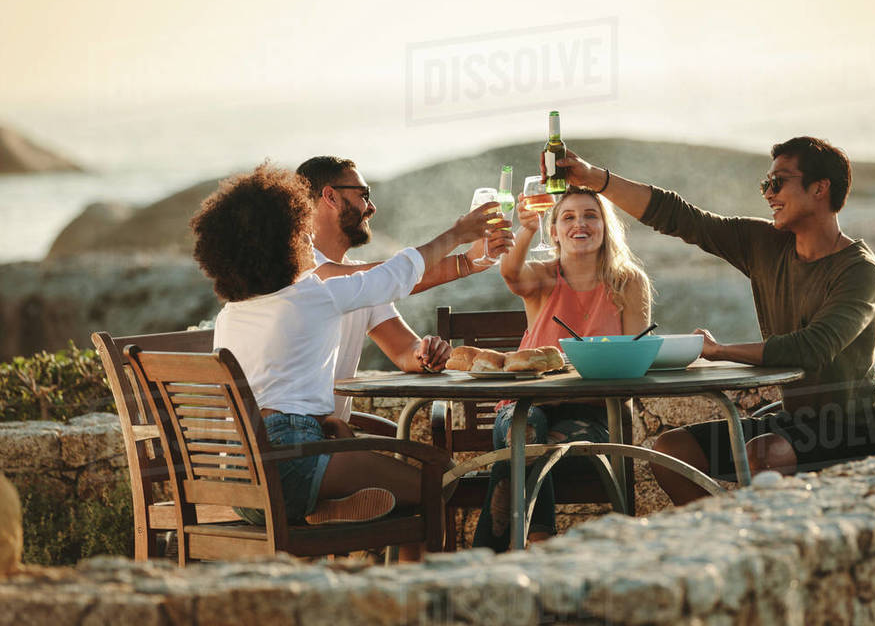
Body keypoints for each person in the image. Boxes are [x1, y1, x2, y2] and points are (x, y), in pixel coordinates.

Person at [543, 137, 875, 504]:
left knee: (763, 454)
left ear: (820, 188)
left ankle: (760, 546)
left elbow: (812, 348)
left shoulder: (860, 271)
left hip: (850, 428)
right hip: (791, 424)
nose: (768, 193)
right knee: (672, 450)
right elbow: (681, 218)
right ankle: (727, 537)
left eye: (778, 182)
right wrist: (596, 179)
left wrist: (720, 351)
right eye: (764, 184)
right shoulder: (766, 243)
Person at [189, 163, 502, 543]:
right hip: (289, 464)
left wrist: (325, 423)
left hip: (238, 481)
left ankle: (326, 509)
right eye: (300, 234)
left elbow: (277, 390)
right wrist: (457, 235)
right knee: (441, 479)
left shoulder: (229, 316)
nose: (307, 241)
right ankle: (408, 584)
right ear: (282, 243)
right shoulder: (312, 297)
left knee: (398, 481)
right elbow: (394, 275)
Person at [472, 187, 652, 550]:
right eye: (567, 217)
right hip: (524, 408)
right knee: (527, 430)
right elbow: (511, 274)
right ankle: (540, 546)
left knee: (530, 450)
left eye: (590, 215)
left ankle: (490, 557)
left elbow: (635, 364)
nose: (579, 224)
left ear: (605, 226)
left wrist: (565, 393)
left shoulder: (628, 282)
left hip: (596, 415)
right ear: (553, 231)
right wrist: (525, 229)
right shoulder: (542, 277)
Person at [297, 156, 514, 423]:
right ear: (330, 196)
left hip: (329, 435)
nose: (372, 207)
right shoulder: (297, 270)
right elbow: (388, 278)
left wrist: (424, 355)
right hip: (296, 440)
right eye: (364, 195)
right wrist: (460, 245)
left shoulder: (365, 279)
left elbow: (403, 350)